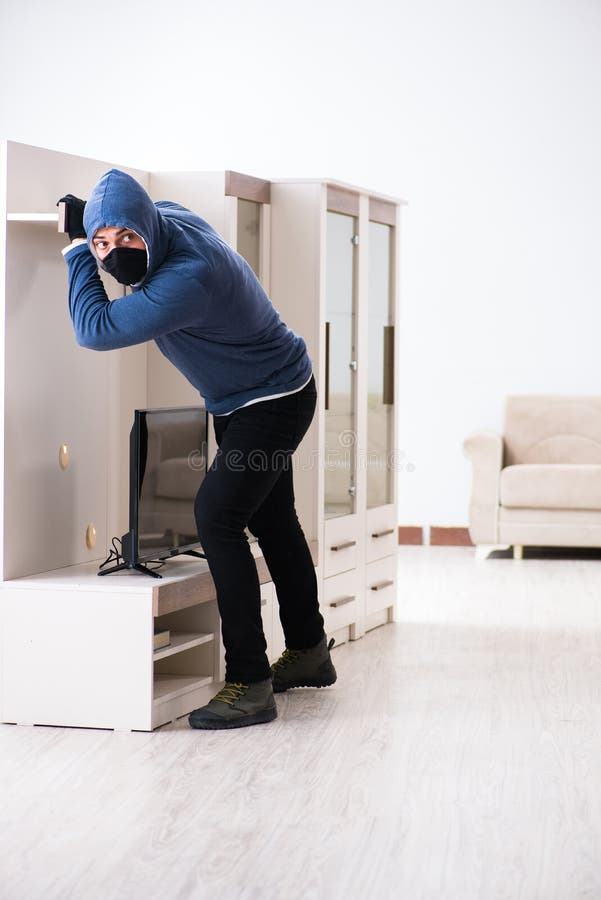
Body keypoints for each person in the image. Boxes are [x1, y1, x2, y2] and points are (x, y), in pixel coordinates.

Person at [58, 170, 336, 730]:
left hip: (273, 399)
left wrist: (76, 253)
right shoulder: (169, 216)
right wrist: (100, 226)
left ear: (149, 229)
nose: (115, 254)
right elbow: (129, 221)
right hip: (246, 397)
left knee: (217, 516)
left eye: (127, 238)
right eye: (101, 244)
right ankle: (308, 650)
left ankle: (249, 682)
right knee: (274, 520)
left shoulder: (188, 278)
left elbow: (94, 327)